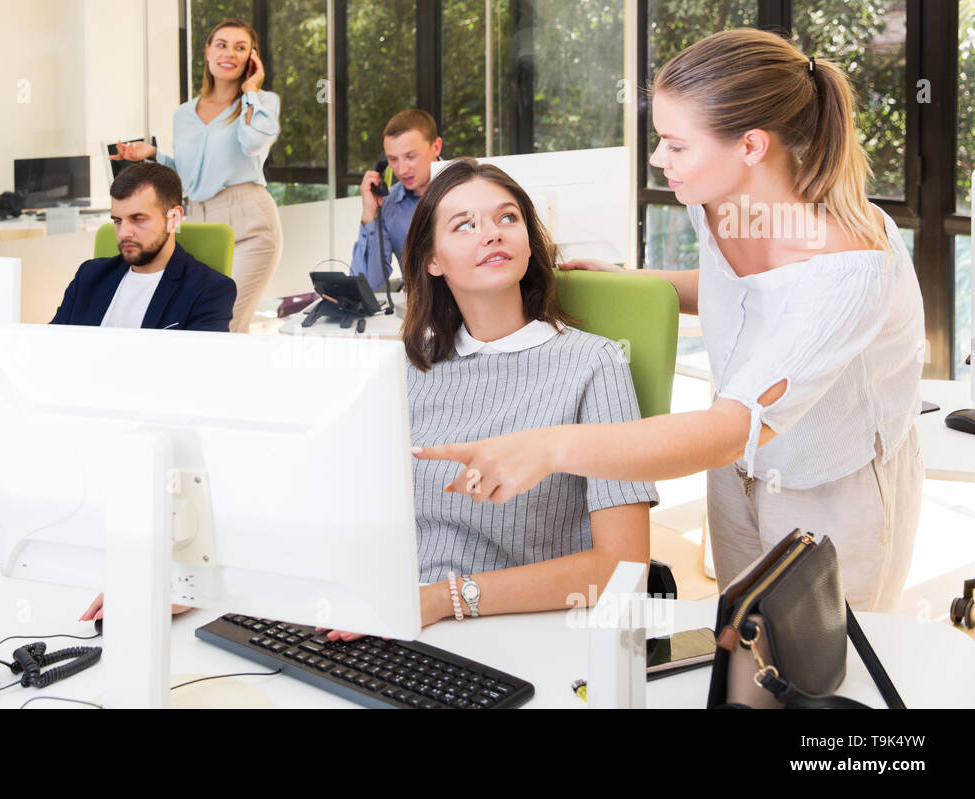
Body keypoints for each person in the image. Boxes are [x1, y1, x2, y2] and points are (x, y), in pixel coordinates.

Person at [416, 29, 925, 613]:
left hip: (829, 475)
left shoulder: (847, 266)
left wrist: (551, 448)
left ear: (751, 147)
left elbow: (730, 427)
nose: (659, 160)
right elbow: (748, 292)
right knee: (742, 640)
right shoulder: (720, 199)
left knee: (820, 672)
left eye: (675, 145)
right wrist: (636, 281)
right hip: (742, 468)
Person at [327, 158, 656, 640]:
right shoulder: (406, 365)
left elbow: (622, 567)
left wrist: (444, 599)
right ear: (432, 260)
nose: (493, 233)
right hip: (398, 615)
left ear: (528, 243)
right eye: (466, 225)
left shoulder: (594, 365)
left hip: (526, 631)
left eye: (508, 218)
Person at [0, 162, 236, 591]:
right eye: (117, 220)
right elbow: (45, 357)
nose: (124, 232)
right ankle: (1, 601)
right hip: (55, 445)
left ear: (174, 218)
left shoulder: (208, 289)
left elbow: (193, 386)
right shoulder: (93, 277)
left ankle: (26, 598)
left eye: (138, 219)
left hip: (128, 458)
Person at [113, 17, 282, 334]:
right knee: (198, 328)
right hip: (200, 221)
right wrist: (153, 157)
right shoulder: (184, 113)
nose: (229, 53)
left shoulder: (262, 103)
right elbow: (186, 179)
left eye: (240, 47)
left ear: (252, 58)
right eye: (221, 45)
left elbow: (254, 142)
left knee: (228, 325)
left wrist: (250, 91)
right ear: (207, 51)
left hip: (251, 225)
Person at [349, 109, 443, 292]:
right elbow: (368, 284)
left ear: (436, 146)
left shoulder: (467, 186)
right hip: (419, 310)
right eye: (393, 159)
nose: (401, 169)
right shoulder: (388, 204)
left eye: (411, 157)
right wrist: (370, 216)